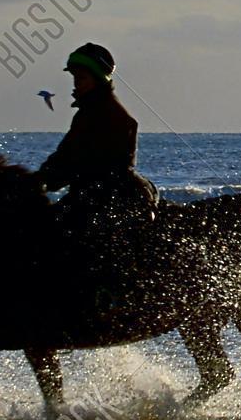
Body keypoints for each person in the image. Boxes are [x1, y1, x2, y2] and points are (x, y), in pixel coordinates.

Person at [37, 43, 157, 284]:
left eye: (81, 78)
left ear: (98, 79)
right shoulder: (91, 111)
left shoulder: (103, 113)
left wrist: (41, 181)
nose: (76, 84)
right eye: (75, 78)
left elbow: (72, 160)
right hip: (98, 192)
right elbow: (66, 158)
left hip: (108, 195)